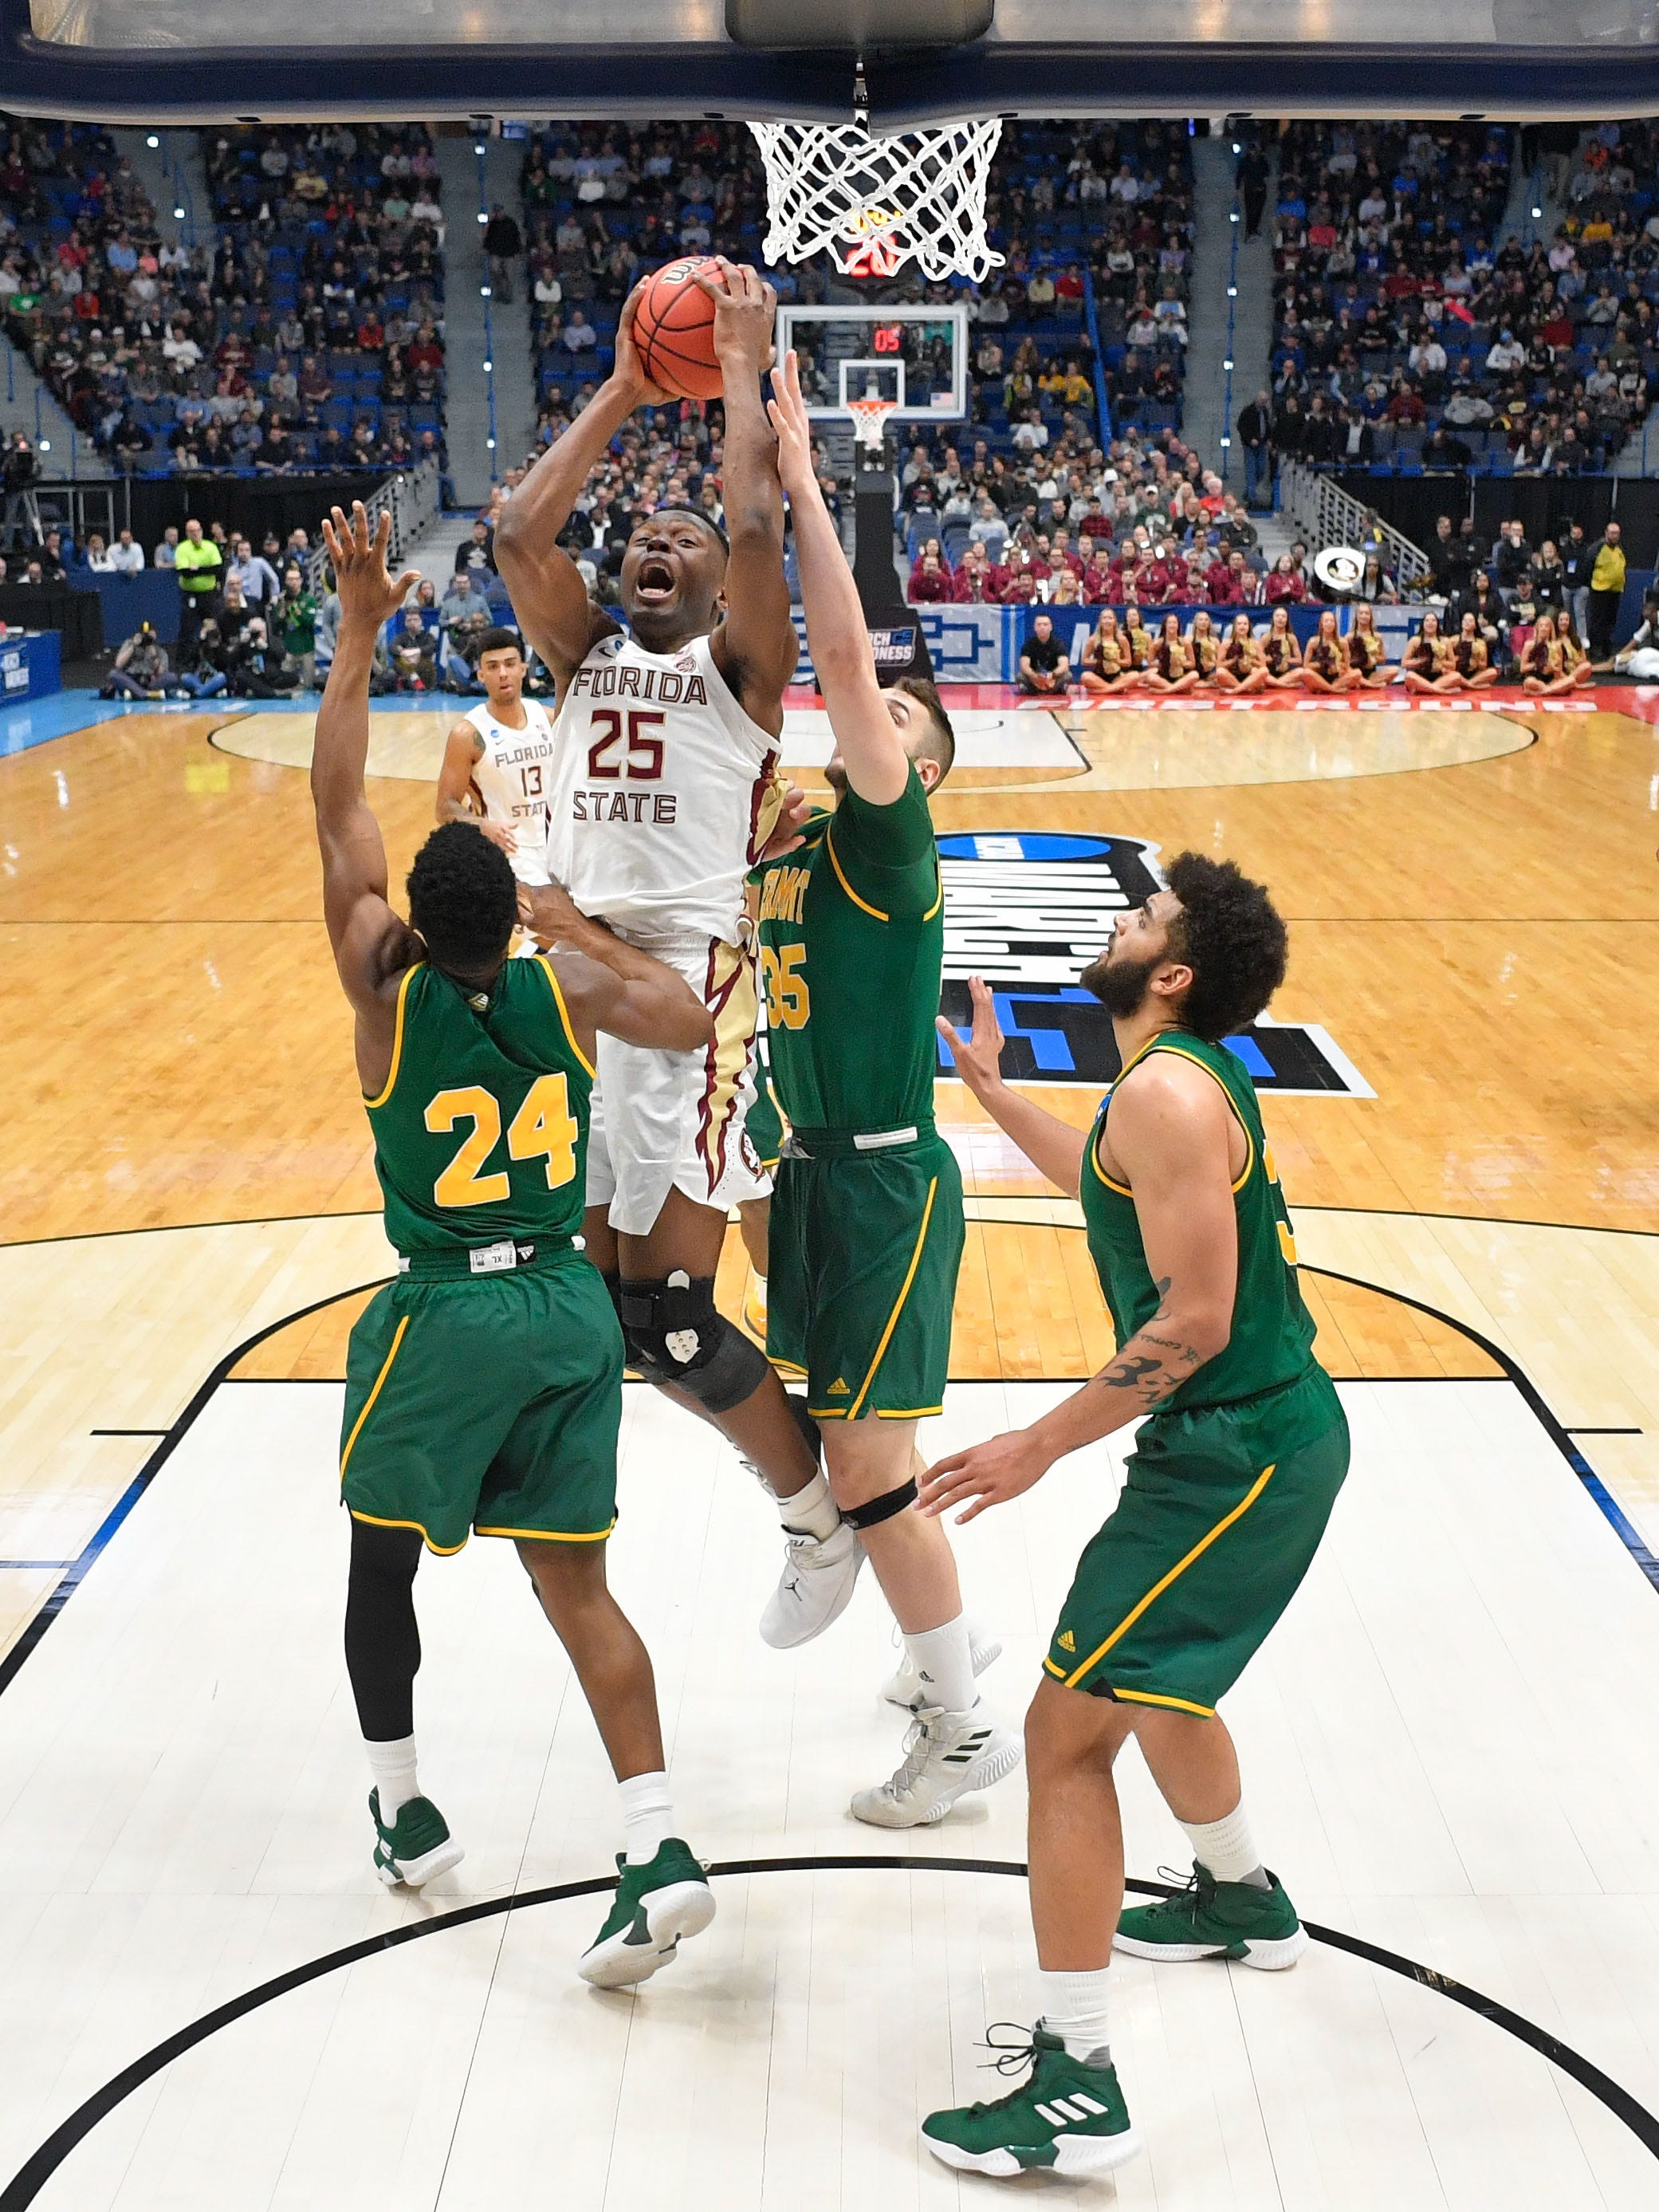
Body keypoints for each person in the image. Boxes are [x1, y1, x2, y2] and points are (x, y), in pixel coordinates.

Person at [312, 500, 719, 1984]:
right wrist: (586, 937)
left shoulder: (385, 990)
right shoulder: (564, 992)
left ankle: (408, 1814)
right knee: (580, 1586)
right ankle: (657, 1838)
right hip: (566, 1306)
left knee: (378, 1562)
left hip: (445, 1314)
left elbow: (341, 815)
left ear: (412, 918)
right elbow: (687, 1015)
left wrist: (360, 627)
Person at [918, 861, 1348, 2179]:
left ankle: (1075, 2078)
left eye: (1143, 917)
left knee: (1060, 1733)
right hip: (1241, 1440)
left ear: (1171, 974)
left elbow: (1197, 1319)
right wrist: (997, 1094)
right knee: (1156, 1688)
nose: (1121, 918)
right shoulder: (1166, 1083)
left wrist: (1035, 1444)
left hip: (1240, 1452)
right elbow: (1108, 1177)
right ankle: (1237, 1892)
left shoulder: (1166, 1089)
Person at [496, 258, 838, 1631]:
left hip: (690, 988)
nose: (657, 539)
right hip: (571, 982)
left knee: (675, 1321)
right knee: (603, 1310)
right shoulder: (580, 659)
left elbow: (757, 521)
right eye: (641, 531)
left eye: (680, 541)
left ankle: (819, 1517)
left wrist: (743, 375)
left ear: (714, 594)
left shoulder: (738, 677)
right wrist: (631, 385)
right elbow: (522, 529)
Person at [736, 348, 1020, 1819]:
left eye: (909, 723)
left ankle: (964, 1721)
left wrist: (801, 482)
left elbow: (841, 665)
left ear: (923, 769)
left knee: (873, 1472)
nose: (879, 717)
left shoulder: (888, 839)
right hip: (809, 1165)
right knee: (835, 1447)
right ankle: (918, 1616)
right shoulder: (794, 844)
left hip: (885, 1177)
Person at [435, 627, 560, 902]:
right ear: (481, 675)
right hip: (509, 854)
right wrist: (482, 826)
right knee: (555, 931)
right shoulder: (468, 735)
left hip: (559, 848)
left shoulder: (548, 719)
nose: (503, 673)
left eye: (510, 664)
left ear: (523, 669)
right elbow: (444, 807)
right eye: (492, 667)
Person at [174, 516, 222, 656]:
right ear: (187, 533)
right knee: (187, 629)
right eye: (191, 531)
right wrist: (206, 569)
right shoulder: (182, 548)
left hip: (208, 595)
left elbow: (218, 570)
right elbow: (185, 573)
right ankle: (184, 661)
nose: (195, 533)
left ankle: (214, 657)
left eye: (197, 530)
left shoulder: (211, 546)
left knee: (212, 627)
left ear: (201, 531)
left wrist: (196, 569)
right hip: (190, 595)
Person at [1583, 519, 1625, 663]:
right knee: (1597, 622)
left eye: (1617, 534)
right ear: (1606, 533)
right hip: (1599, 590)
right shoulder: (1597, 547)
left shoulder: (1619, 548)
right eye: (1612, 533)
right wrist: (1591, 583)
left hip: (1615, 591)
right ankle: (1594, 651)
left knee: (1610, 622)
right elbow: (1587, 565)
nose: (1615, 536)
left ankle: (1607, 650)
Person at [100, 620, 177, 699]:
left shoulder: (159, 650)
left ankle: (136, 694)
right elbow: (118, 664)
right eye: (145, 636)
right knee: (113, 674)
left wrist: (154, 657)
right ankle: (145, 694)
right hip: (131, 681)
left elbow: (161, 673)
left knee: (172, 677)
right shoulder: (130, 643)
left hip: (150, 682)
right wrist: (133, 647)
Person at [1080, 608, 1138, 694]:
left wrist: (1116, 661)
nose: (1107, 621)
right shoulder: (1093, 639)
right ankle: (1115, 689)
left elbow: (1128, 662)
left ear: (1115, 621)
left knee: (1135, 675)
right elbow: (1084, 661)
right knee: (1085, 676)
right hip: (1098, 676)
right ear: (1100, 622)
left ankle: (1104, 690)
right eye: (1105, 618)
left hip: (1116, 677)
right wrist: (1099, 662)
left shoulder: (1122, 639)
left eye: (1110, 618)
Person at [1235, 390, 1274, 510]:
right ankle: (1252, 498)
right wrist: (1250, 439)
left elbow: (1267, 427)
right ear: (1258, 399)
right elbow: (1241, 426)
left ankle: (1248, 491)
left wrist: (1268, 439)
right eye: (1262, 400)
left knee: (1261, 470)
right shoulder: (1248, 411)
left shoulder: (1265, 412)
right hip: (1250, 446)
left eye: (1265, 401)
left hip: (1262, 445)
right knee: (1251, 470)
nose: (1264, 402)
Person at [1402, 610, 1455, 693]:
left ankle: (1426, 688)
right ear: (1423, 624)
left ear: (1437, 624)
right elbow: (1404, 663)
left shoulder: (1445, 641)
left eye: (1433, 621)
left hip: (1439, 677)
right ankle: (1439, 690)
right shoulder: (1415, 640)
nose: (1430, 623)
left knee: (1457, 676)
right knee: (1409, 676)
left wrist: (1440, 662)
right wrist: (1419, 661)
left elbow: (1453, 665)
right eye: (1427, 620)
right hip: (1420, 676)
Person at [1019, 611, 1071, 695]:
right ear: (1035, 627)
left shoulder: (1058, 644)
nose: (1042, 627)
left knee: (1068, 675)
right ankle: (1034, 690)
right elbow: (1024, 666)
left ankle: (1054, 689)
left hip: (1052, 678)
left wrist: (1053, 675)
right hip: (1035, 678)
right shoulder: (1028, 645)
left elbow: (1064, 666)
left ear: (1051, 627)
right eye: (1039, 625)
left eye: (1045, 624)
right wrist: (1035, 676)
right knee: (1020, 676)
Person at [1216, 612, 1268, 694]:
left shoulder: (1255, 644)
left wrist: (1251, 660)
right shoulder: (1226, 644)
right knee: (1220, 672)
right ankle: (1246, 689)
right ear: (1235, 627)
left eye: (1245, 624)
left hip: (1250, 676)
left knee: (1264, 671)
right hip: (1232, 676)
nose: (1242, 626)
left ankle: (1235, 690)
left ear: (1249, 627)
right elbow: (1219, 666)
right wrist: (1234, 660)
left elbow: (1263, 665)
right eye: (1239, 624)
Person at [1299, 609, 1349, 693]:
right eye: (1326, 621)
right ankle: (1332, 689)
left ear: (1335, 624)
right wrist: (1322, 664)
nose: (1329, 623)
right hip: (1318, 677)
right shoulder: (1313, 641)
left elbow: (1346, 666)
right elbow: (1306, 665)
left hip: (1336, 677)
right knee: (1306, 673)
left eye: (1331, 621)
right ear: (1321, 625)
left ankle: (1325, 688)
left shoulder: (1343, 642)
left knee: (1357, 674)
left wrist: (1336, 665)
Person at [1344, 603, 1390, 687]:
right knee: (1355, 674)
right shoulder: (1349, 636)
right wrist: (1360, 658)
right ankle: (1368, 684)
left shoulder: (1377, 636)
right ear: (1357, 616)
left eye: (1366, 613)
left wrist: (1373, 658)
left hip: (1371, 672)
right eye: (1361, 613)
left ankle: (1366, 683)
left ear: (1370, 617)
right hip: (1355, 672)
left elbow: (1383, 659)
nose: (1364, 616)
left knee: (1394, 671)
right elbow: (1344, 661)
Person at [1260, 604, 1303, 689]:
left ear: (1287, 620)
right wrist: (1271, 659)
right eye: (1277, 616)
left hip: (1285, 674)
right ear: (1273, 619)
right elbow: (1258, 658)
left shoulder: (1291, 638)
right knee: (1259, 672)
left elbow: (1299, 660)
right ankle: (1285, 685)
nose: (1280, 618)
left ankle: (1274, 684)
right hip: (1269, 673)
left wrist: (1286, 659)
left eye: (1283, 616)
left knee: (1301, 671)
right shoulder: (1266, 637)